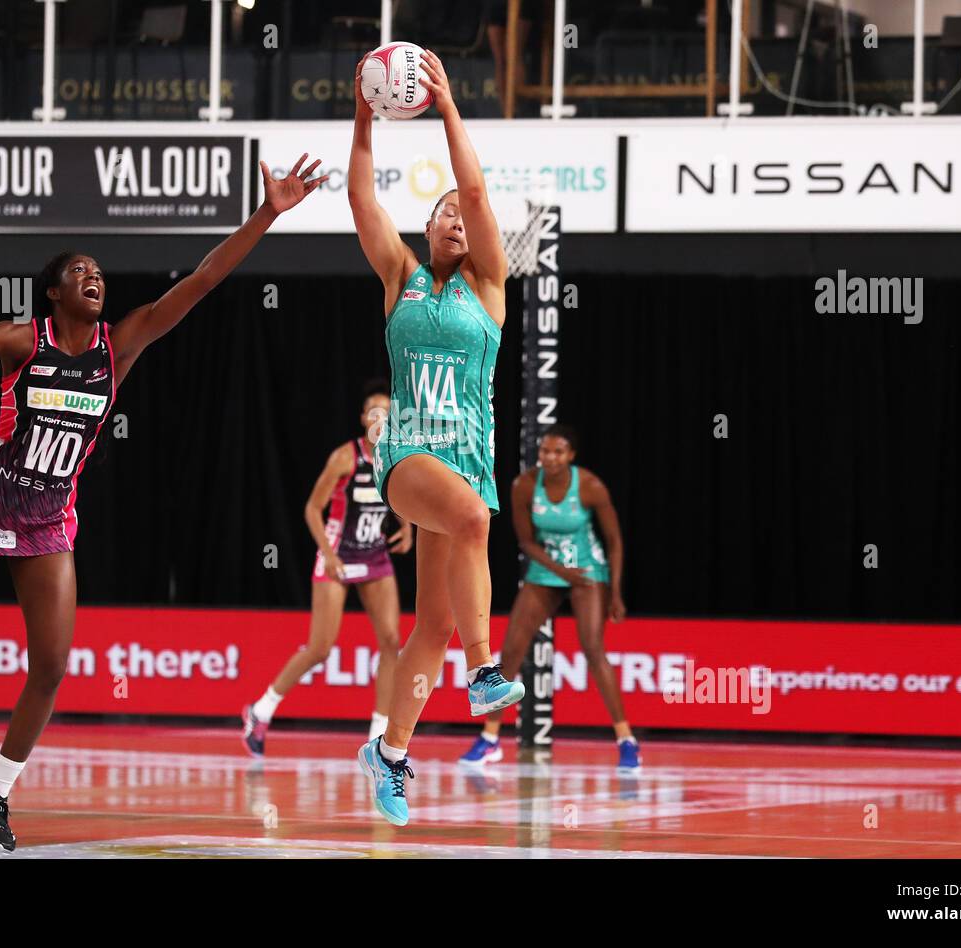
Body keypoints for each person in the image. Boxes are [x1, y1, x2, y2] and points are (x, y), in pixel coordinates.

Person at [0, 152, 329, 852]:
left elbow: (205, 280)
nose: (95, 280)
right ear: (52, 293)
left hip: (49, 517)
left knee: (52, 665)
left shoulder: (125, 344)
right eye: (80, 273)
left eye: (100, 274)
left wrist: (269, 212)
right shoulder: (22, 340)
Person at [348, 47, 523, 827]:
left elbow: (480, 190)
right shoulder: (400, 277)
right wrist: (364, 112)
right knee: (477, 521)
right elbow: (361, 202)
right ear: (426, 225)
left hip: (471, 458)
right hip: (411, 450)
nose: (457, 213)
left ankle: (387, 754)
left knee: (433, 627)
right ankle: (487, 673)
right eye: (444, 210)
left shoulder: (489, 285)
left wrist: (450, 109)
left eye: (465, 211)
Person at [242, 379, 413, 754]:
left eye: (387, 411)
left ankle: (377, 737)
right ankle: (261, 709)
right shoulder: (344, 457)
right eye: (374, 411)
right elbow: (311, 509)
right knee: (320, 647)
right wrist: (329, 555)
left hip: (373, 555)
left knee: (391, 642)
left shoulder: (397, 457)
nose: (380, 418)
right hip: (337, 554)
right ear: (363, 418)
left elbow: (400, 498)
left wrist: (407, 527)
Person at [459, 425, 639, 771]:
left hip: (587, 573)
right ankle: (490, 739)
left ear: (571, 456)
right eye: (545, 451)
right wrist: (560, 571)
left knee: (593, 649)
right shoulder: (524, 486)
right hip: (547, 571)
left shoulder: (589, 486)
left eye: (558, 452)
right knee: (511, 649)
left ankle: (627, 740)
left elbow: (614, 541)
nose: (550, 458)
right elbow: (526, 543)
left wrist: (615, 592)